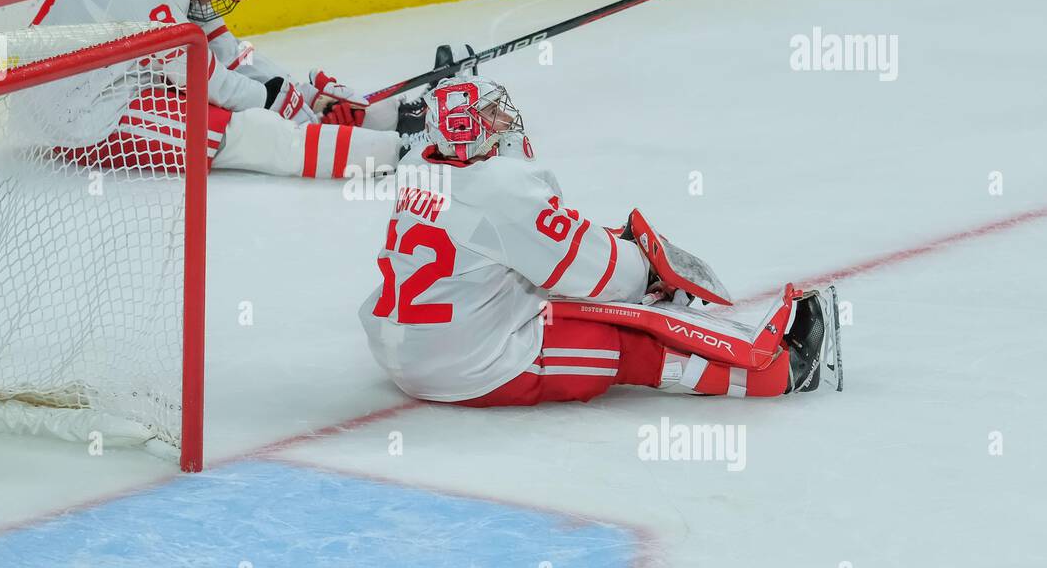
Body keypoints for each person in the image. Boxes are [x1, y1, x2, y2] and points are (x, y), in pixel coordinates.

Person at [359, 74, 841, 406]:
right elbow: (604, 277)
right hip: (468, 367)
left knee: (555, 295)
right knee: (621, 339)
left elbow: (517, 247)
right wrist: (649, 272)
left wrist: (605, 243)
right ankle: (779, 373)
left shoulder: (418, 170)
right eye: (495, 117)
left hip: (406, 345)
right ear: (473, 133)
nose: (508, 123)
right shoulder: (501, 188)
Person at [16, 0, 422, 178]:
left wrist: (295, 91)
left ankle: (389, 119)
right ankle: (395, 152)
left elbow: (226, 50)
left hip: (103, 81)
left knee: (257, 109)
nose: (217, 4)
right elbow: (200, 76)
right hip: (76, 116)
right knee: (248, 135)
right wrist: (278, 105)